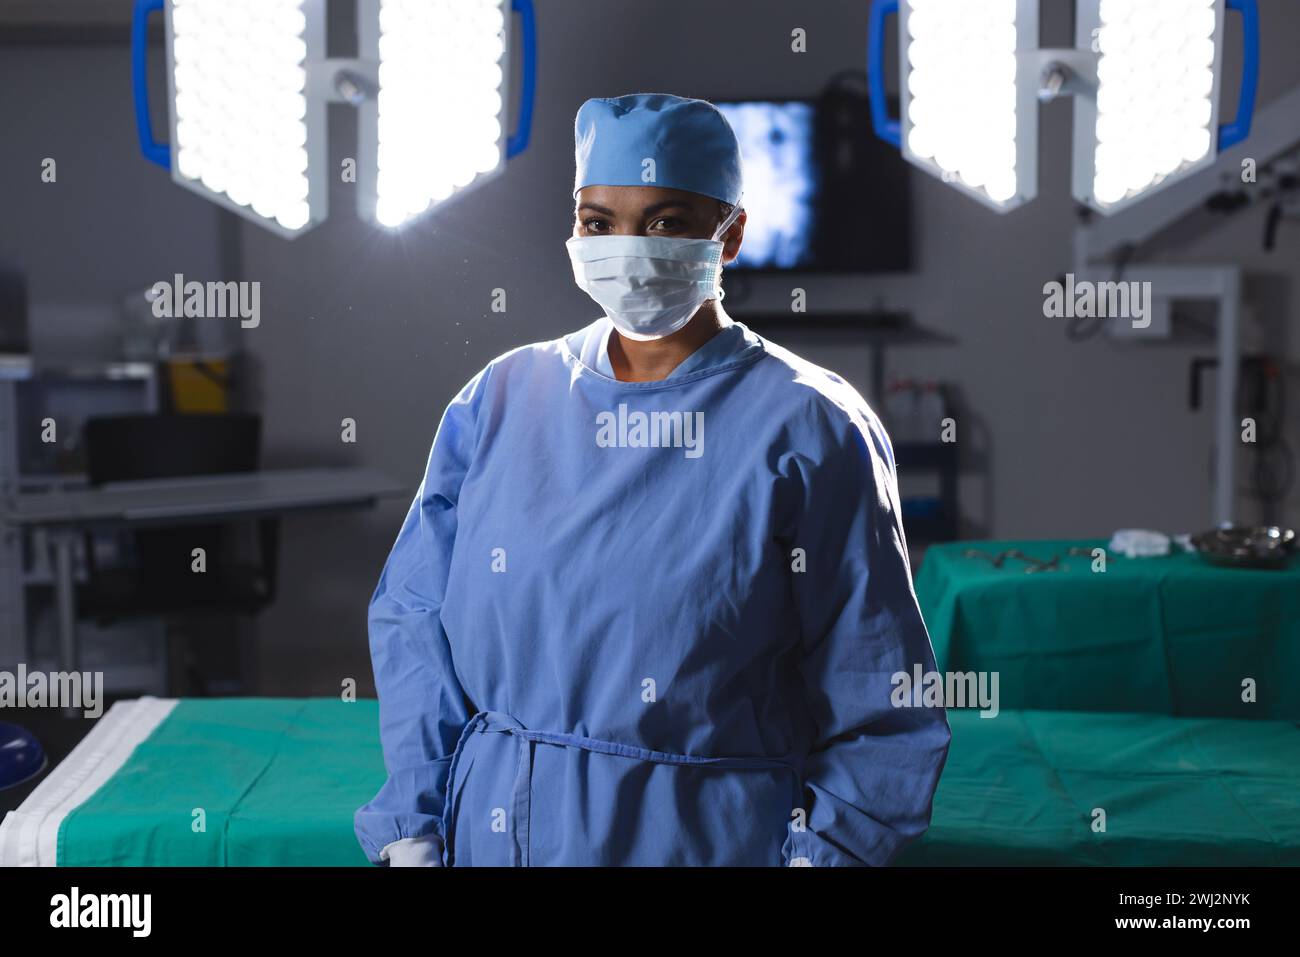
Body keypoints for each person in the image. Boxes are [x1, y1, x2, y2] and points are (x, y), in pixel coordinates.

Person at [355, 93, 950, 866]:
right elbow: (413, 620)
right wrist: (413, 826)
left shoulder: (809, 427)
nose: (627, 248)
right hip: (500, 836)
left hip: (707, 841)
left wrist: (824, 857)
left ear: (729, 234)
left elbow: (880, 692)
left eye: (665, 222)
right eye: (598, 223)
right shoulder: (498, 402)